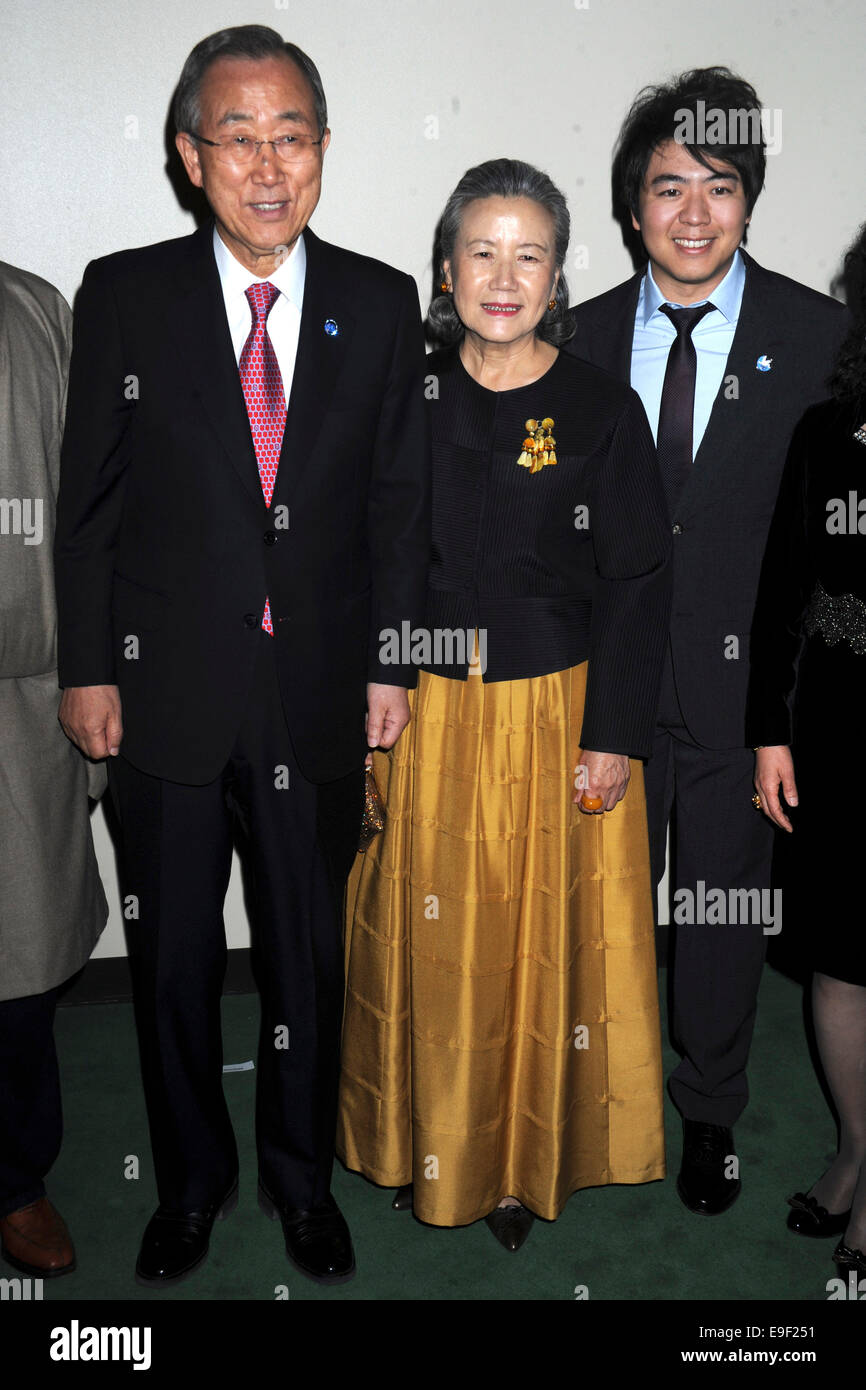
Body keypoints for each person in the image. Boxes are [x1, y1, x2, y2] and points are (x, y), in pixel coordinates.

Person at [54, 25, 430, 1287]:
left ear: (321, 148)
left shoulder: (381, 302)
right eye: (237, 137)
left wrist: (390, 662)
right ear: (188, 155)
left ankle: (300, 1178)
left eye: (291, 136)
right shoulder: (125, 291)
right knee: (167, 962)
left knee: (304, 958)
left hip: (317, 689)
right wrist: (89, 667)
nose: (267, 166)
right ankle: (191, 1183)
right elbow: (89, 505)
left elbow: (396, 503)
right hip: (161, 688)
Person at [337, 158, 671, 1251]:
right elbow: (378, 549)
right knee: (424, 938)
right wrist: (382, 677)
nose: (501, 274)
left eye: (527, 254)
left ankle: (522, 1166)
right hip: (431, 711)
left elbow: (635, 578)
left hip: (554, 712)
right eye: (480, 250)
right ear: (445, 269)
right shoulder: (409, 394)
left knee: (535, 947)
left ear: (558, 276)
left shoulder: (596, 406)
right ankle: (425, 1144)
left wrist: (613, 733)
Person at [566, 66, 848, 1217]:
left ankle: (711, 1114)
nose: (692, 213)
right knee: (599, 916)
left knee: (723, 921)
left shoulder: (820, 334)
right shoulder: (570, 339)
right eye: (666, 185)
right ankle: (591, 1104)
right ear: (631, 203)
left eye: (717, 186)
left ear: (748, 199)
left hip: (746, 707)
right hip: (608, 697)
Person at [747, 222, 866, 1278]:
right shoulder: (826, 432)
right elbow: (781, 591)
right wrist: (767, 731)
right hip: (835, 727)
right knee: (837, 957)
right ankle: (851, 1148)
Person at [0, 259, 108, 1278]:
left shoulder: (34, 309)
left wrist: (94, 663)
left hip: (18, 694)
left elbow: (90, 503)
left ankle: (17, 1177)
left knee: (18, 966)